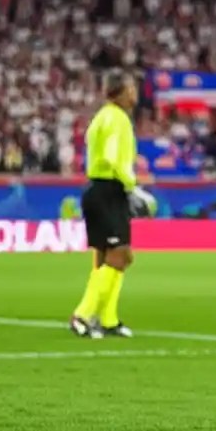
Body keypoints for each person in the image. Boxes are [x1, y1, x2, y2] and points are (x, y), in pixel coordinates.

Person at [70, 69, 153, 340]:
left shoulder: (102, 117)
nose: (134, 93)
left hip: (100, 189)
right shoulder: (117, 118)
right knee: (119, 255)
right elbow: (111, 157)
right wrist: (132, 186)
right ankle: (83, 315)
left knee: (111, 257)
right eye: (131, 88)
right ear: (120, 92)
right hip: (109, 189)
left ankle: (108, 319)